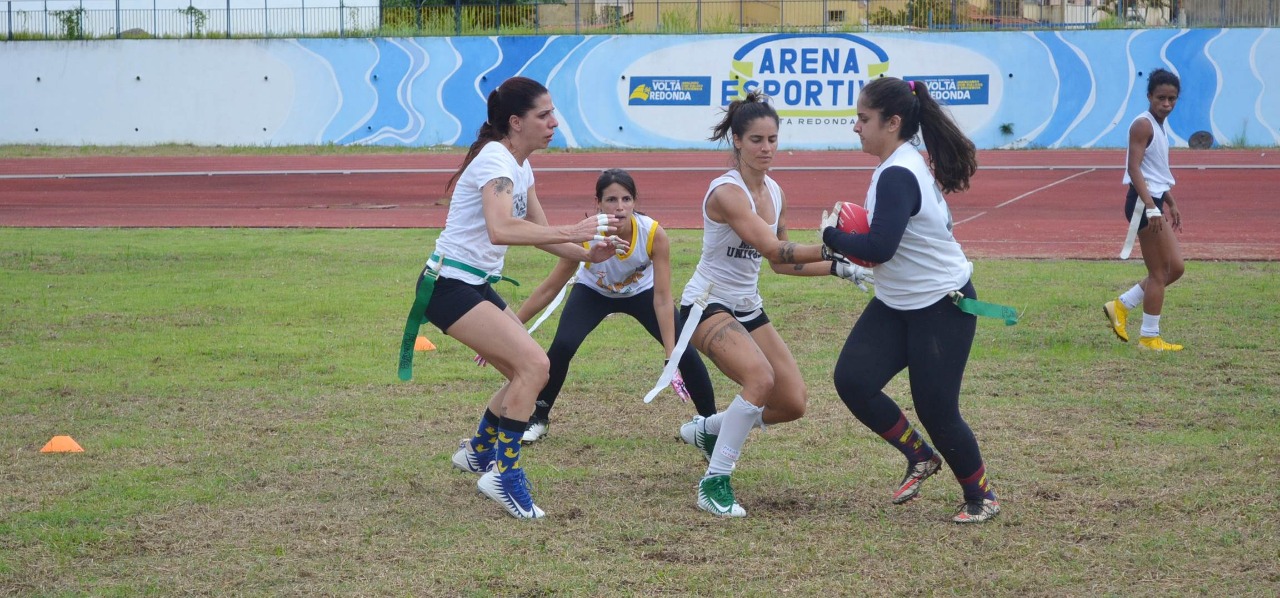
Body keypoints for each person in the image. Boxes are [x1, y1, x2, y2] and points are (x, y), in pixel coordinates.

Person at [415, 76, 628, 519]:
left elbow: (544, 236)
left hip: (472, 284)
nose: (555, 122)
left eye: (553, 112)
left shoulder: (520, 164)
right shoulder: (496, 158)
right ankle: (503, 474)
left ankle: (477, 452)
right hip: (449, 286)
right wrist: (573, 231)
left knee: (526, 372)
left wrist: (588, 253)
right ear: (516, 122)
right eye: (543, 115)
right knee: (533, 367)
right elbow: (502, 229)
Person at [677, 90, 874, 518]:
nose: (767, 148)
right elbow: (773, 250)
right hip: (706, 305)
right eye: (756, 140)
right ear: (736, 141)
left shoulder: (776, 192)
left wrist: (846, 269)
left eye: (772, 139)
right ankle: (714, 482)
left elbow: (784, 266)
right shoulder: (727, 193)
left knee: (792, 403)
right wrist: (835, 245)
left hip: (748, 306)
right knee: (760, 380)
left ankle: (709, 429)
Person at [820, 76, 1000, 523]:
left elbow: (880, 248)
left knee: (938, 410)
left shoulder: (899, 172)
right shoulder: (898, 164)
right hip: (899, 302)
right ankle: (921, 456)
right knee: (853, 380)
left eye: (864, 119)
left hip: (942, 306)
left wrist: (831, 235)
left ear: (892, 122)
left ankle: (982, 498)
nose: (856, 127)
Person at [501, 168, 719, 443]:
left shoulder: (653, 234)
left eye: (626, 199)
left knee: (682, 350)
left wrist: (669, 356)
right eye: (611, 200)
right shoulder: (587, 234)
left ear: (634, 202)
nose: (619, 207)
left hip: (642, 293)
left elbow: (663, 298)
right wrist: (512, 324)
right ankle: (539, 417)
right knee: (563, 346)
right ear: (598, 203)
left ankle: (710, 424)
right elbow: (550, 286)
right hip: (593, 291)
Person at [1104, 68, 1185, 351]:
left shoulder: (1160, 126)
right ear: (1149, 96)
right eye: (1161, 98)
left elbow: (1155, 171)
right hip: (1142, 204)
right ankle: (1149, 337)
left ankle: (1121, 305)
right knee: (1159, 272)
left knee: (1175, 268)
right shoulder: (1143, 125)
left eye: (1172, 99)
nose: (1166, 104)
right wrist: (1151, 207)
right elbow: (1134, 168)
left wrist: (1170, 202)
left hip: (1154, 201)